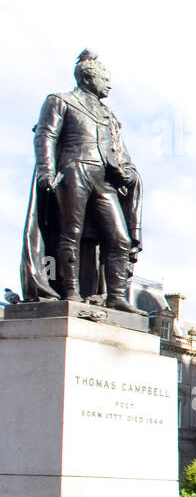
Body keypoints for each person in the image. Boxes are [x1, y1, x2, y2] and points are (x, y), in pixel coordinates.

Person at [22, 49, 144, 312]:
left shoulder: (108, 115)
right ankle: (70, 291)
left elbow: (120, 151)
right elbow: (46, 136)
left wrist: (128, 171)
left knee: (120, 238)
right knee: (70, 233)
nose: (109, 83)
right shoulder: (60, 100)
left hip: (104, 179)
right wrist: (46, 169)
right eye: (105, 77)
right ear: (88, 78)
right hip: (72, 169)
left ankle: (117, 297)